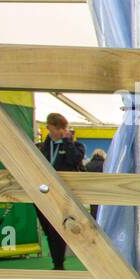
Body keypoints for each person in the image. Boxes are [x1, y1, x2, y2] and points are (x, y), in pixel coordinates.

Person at [36, 113, 85, 270]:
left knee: (60, 229)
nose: (56, 132)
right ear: (49, 127)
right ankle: (56, 263)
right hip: (44, 194)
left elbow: (75, 160)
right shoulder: (42, 147)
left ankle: (59, 264)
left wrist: (67, 141)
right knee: (49, 230)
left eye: (61, 128)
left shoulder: (76, 146)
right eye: (53, 128)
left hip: (64, 196)